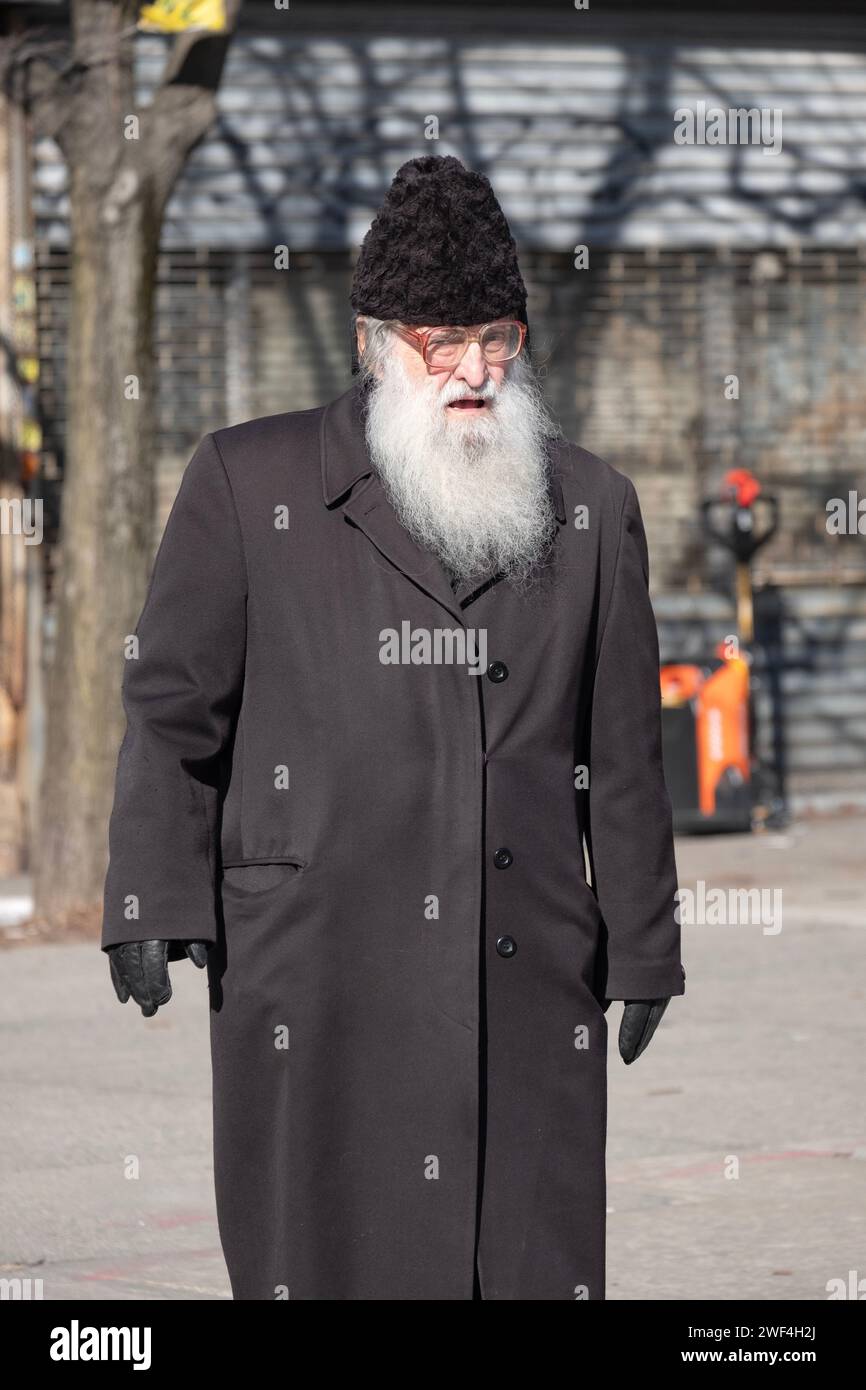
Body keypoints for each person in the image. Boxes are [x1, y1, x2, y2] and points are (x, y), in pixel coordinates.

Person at [102, 154, 685, 1301]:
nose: (473, 370)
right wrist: (150, 895)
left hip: (524, 969)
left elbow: (621, 751)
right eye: (440, 341)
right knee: (325, 1256)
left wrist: (644, 940)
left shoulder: (589, 507)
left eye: (496, 338)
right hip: (313, 969)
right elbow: (172, 707)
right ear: (374, 341)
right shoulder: (246, 479)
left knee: (522, 1259)